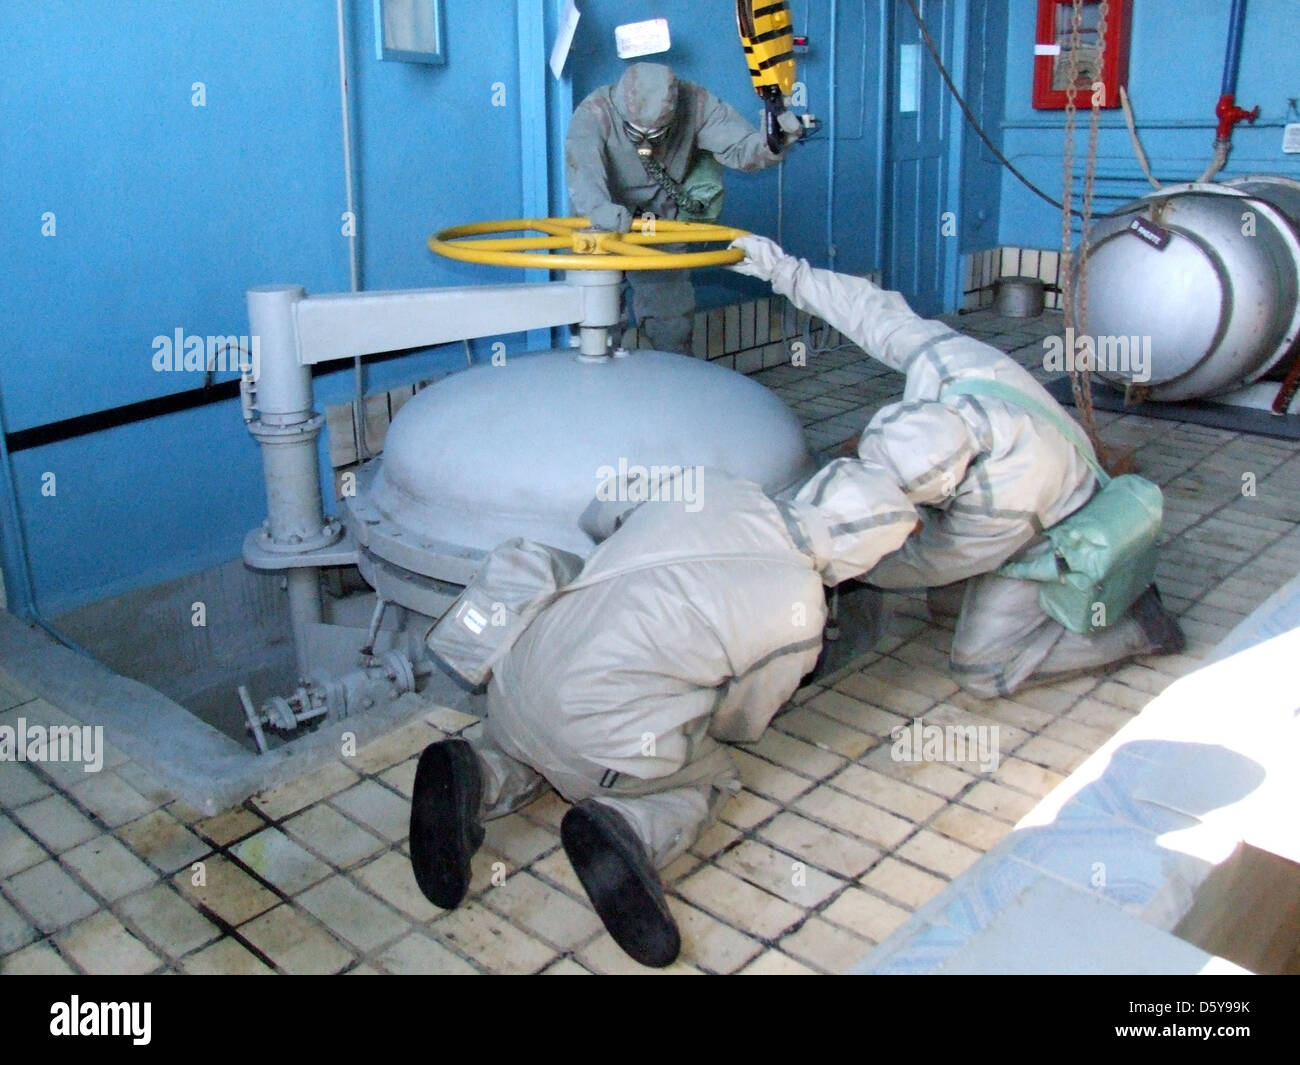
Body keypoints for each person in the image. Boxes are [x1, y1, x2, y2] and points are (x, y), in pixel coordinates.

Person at [410, 464, 917, 967]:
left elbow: (605, 511)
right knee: (710, 777)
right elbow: (740, 719)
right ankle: (627, 825)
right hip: (596, 739)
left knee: (545, 732)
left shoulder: (721, 487)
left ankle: (478, 769)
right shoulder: (802, 611)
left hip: (514, 674)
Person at [729, 234, 1186, 699]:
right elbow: (870, 314)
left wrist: (822, 563)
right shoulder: (946, 369)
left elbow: (922, 564)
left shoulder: (1000, 503)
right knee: (945, 608)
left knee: (981, 670)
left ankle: (1136, 629)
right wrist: (784, 271)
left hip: (1056, 529)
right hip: (1038, 478)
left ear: (950, 487)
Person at [565, 63, 802, 354]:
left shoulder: (696, 104)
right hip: (600, 222)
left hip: (659, 225)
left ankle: (675, 388)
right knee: (596, 321)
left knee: (671, 324)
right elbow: (583, 170)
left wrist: (772, 144)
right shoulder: (595, 112)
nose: (645, 142)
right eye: (635, 131)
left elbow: (742, 148)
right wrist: (601, 210)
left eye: (655, 135)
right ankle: (597, 389)